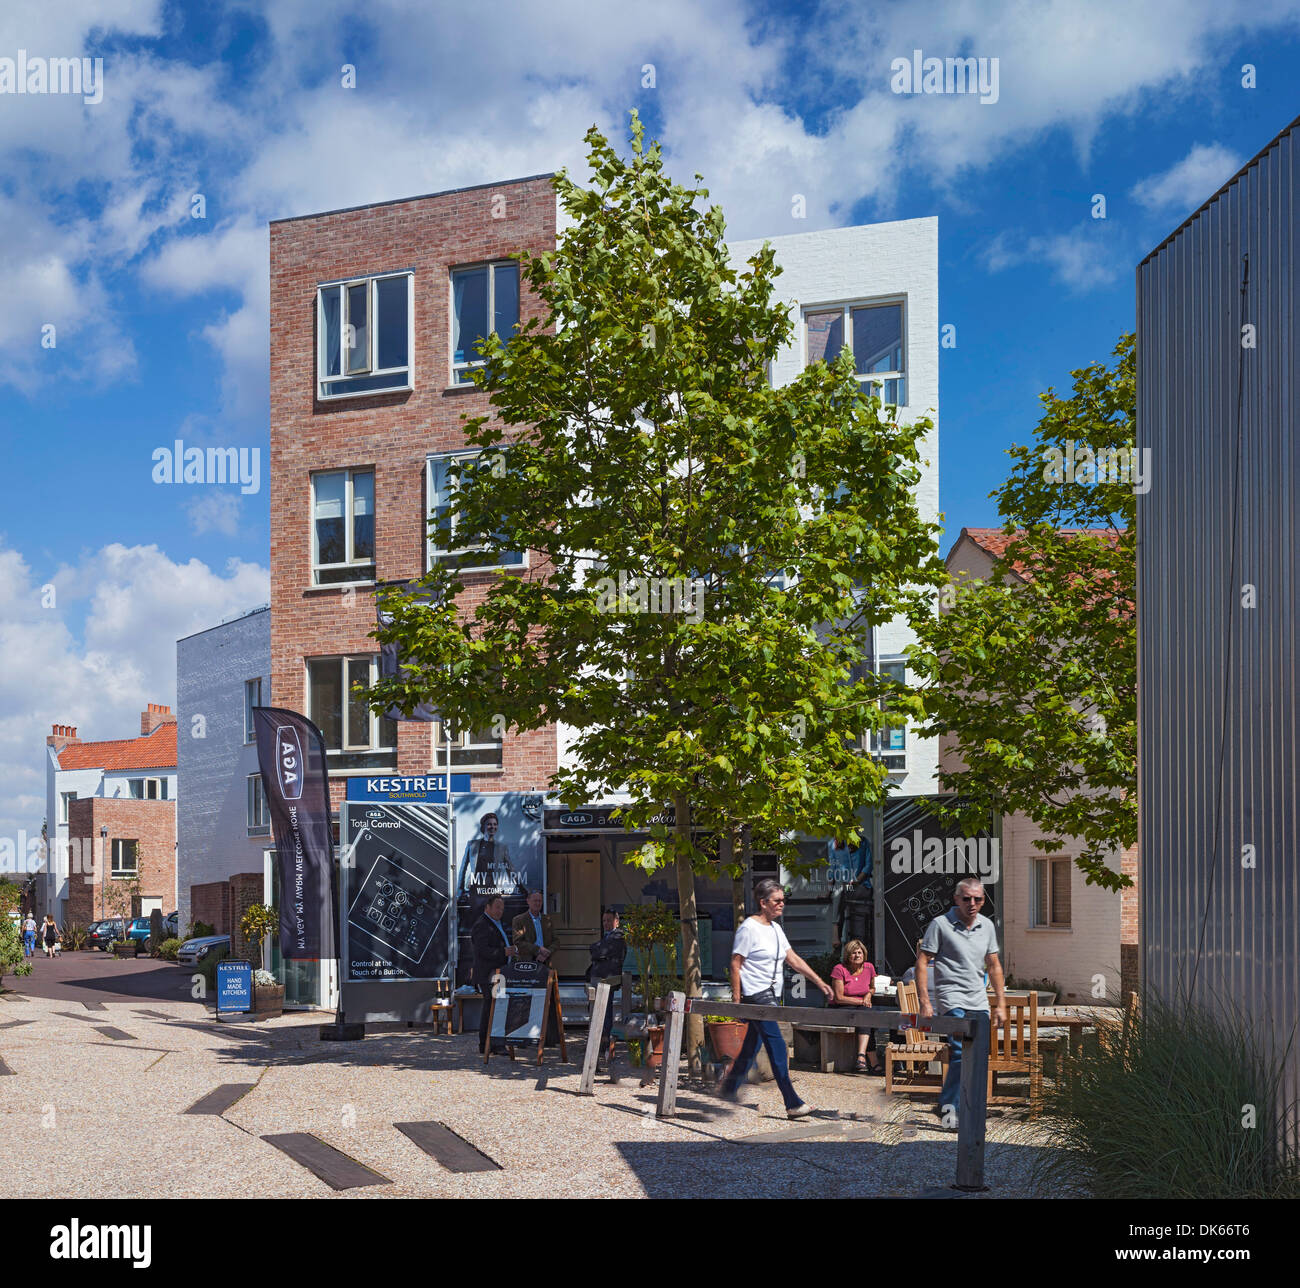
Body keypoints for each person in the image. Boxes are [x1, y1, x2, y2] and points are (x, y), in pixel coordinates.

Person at [719, 878, 834, 1119]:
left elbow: (793, 959)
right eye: (777, 900)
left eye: (784, 900)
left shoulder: (776, 929)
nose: (782, 904)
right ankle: (792, 1102)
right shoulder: (749, 928)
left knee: (753, 1045)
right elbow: (735, 963)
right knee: (778, 1045)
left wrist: (819, 981)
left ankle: (728, 1089)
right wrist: (737, 1001)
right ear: (763, 903)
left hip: (770, 994)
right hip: (755, 995)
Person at [916, 878, 1006, 1127]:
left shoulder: (987, 926)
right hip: (951, 997)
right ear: (956, 899)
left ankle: (969, 1108)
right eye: (966, 898)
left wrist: (1000, 1003)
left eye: (977, 899)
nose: (972, 903)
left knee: (978, 1056)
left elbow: (994, 965)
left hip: (978, 1000)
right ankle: (949, 1110)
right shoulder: (940, 925)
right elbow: (922, 961)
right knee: (958, 1053)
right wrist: (925, 1001)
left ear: (983, 901)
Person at [470, 895, 517, 1054]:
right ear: (487, 907)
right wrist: (503, 952)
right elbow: (482, 950)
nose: (500, 911)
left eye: (502, 908)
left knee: (496, 1008)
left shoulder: (495, 923)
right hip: (490, 974)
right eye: (497, 907)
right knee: (492, 1008)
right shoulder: (482, 925)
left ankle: (490, 1043)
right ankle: (491, 1044)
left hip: (499, 973)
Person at [829, 939, 882, 1073]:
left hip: (861, 1007)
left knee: (868, 1015)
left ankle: (862, 1057)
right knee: (866, 1015)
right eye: (854, 953)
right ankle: (871, 1061)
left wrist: (868, 995)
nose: (857, 955)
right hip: (841, 1007)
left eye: (860, 952)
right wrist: (861, 1001)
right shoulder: (839, 969)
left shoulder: (869, 967)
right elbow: (839, 998)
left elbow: (872, 988)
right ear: (848, 955)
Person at [586, 907, 627, 1056]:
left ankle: (603, 1040)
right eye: (604, 920)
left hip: (608, 979)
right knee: (598, 1010)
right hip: (600, 978)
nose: (606, 923)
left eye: (609, 920)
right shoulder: (608, 936)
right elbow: (598, 952)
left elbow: (598, 951)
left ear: (616, 921)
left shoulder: (618, 936)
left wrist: (595, 949)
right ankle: (600, 1040)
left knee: (605, 1011)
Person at [511, 888, 555, 965]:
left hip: (545, 961)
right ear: (528, 901)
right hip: (527, 962)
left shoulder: (547, 920)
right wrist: (538, 950)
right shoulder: (519, 920)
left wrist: (547, 952)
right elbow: (518, 942)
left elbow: (556, 941)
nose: (537, 903)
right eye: (535, 901)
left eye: (539, 901)